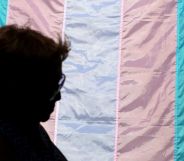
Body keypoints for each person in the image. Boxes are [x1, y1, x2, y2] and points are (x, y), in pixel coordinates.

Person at [0, 25, 70, 161]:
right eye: (50, 89)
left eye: (58, 84)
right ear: (21, 90)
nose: (59, 96)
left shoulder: (27, 126)